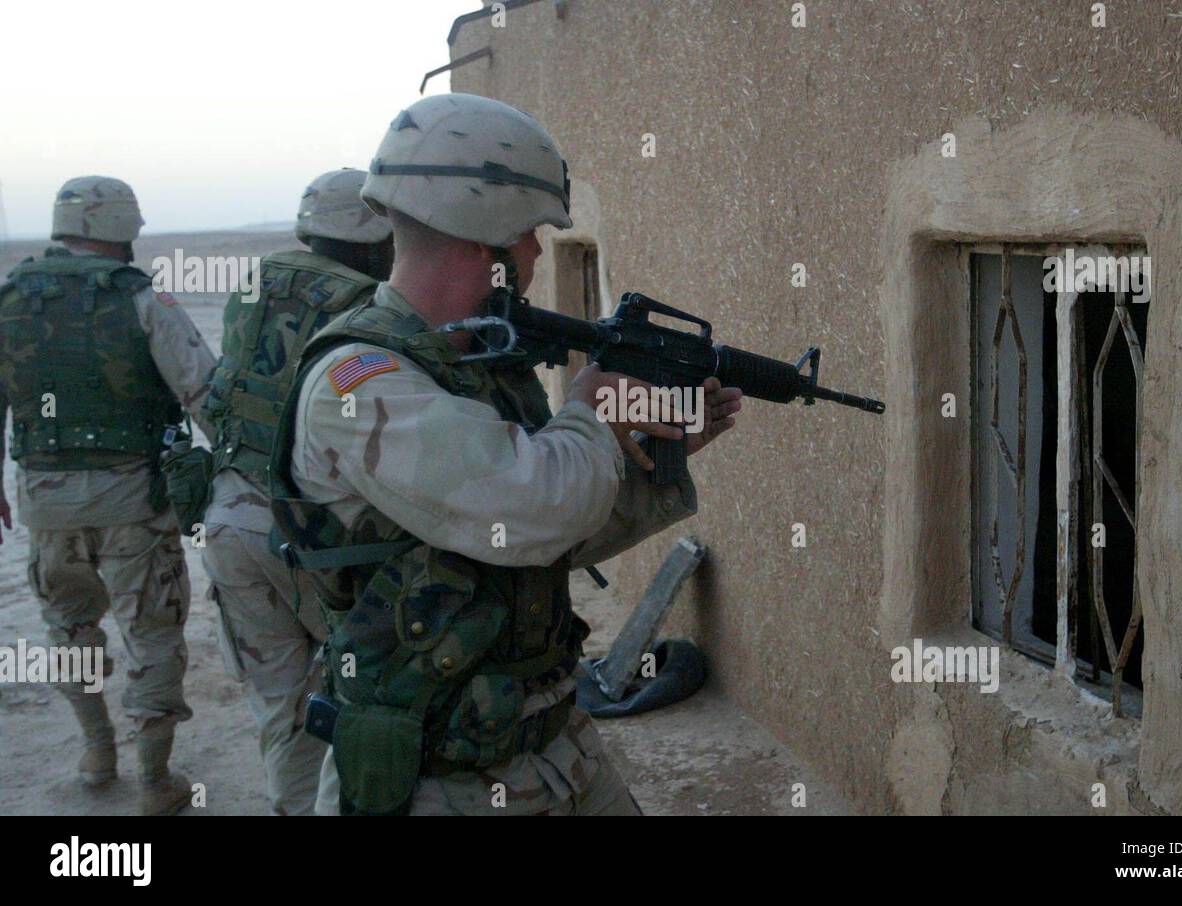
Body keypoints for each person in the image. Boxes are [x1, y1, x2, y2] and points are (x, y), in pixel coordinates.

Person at [268, 93, 743, 815]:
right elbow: (531, 511)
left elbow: (539, 544)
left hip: (552, 739)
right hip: (435, 777)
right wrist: (590, 408)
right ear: (479, 234)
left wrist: (650, 457)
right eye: (529, 232)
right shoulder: (358, 384)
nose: (536, 254)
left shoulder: (474, 359)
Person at [0, 176, 216, 815]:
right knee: (152, 635)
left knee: (69, 627)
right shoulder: (144, 297)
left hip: (45, 503)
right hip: (134, 503)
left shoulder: (9, 297)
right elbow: (203, 390)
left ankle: (97, 753)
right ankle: (155, 782)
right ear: (124, 228)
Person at [199, 168, 392, 815]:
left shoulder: (255, 285)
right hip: (311, 537)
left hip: (229, 521)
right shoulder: (370, 305)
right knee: (357, 697)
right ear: (371, 236)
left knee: (283, 709)